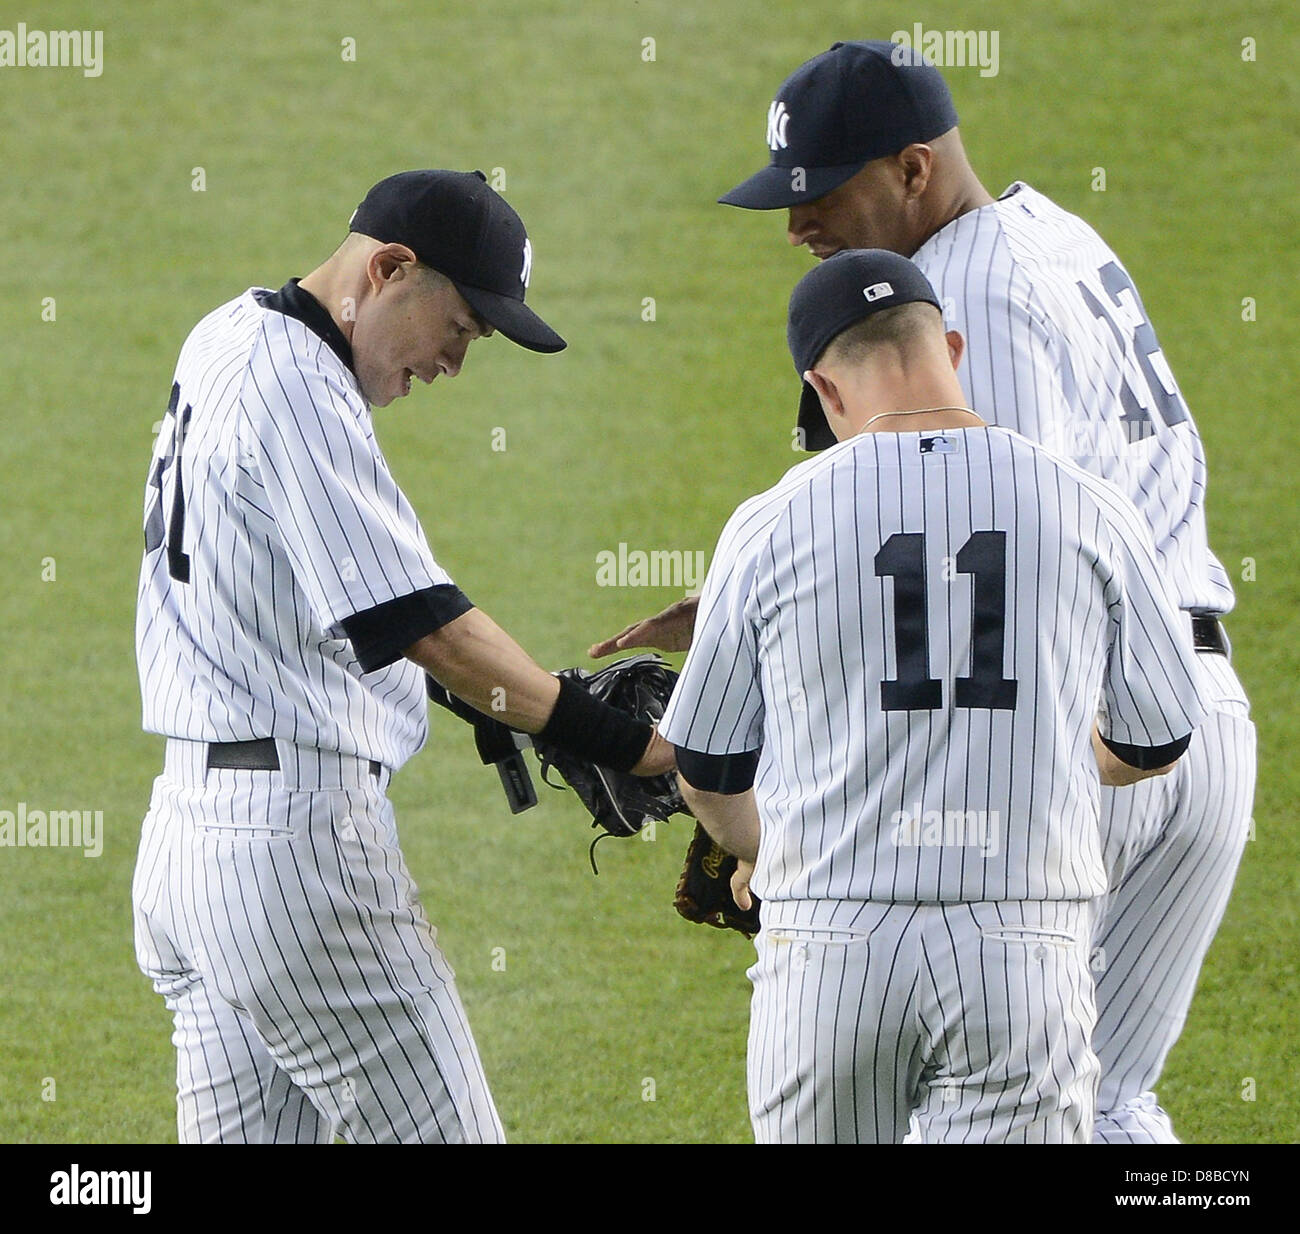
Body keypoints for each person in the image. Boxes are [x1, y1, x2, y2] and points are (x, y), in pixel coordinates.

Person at [594, 40, 1256, 1144]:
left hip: (1077, 732)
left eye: (817, 194)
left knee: (943, 1078)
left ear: (910, 169)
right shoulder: (1053, 231)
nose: (795, 227)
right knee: (1096, 1102)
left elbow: (990, 559)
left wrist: (788, 831)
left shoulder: (969, 285)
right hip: (1193, 725)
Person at [133, 169, 672, 1144]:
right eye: (462, 328)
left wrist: (511, 698)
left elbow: (322, 609)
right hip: (289, 859)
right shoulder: (294, 382)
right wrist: (628, 746)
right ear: (389, 269)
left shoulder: (227, 335)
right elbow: (426, 624)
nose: (456, 365)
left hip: (190, 847)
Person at [658, 248, 1207, 1143]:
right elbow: (1155, 741)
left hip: (831, 952)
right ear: (950, 346)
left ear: (824, 391)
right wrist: (1053, 748)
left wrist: (759, 847)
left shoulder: (771, 521)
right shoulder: (1088, 507)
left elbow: (707, 766)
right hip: (1021, 950)